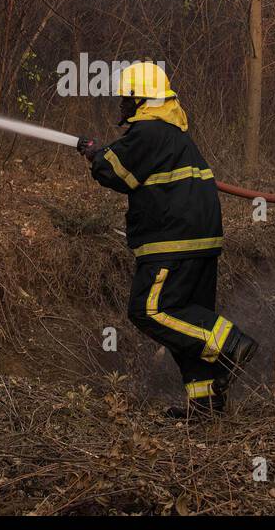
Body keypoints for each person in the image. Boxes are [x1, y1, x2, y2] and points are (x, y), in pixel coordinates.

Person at [78, 61, 258, 419]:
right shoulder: (173, 136)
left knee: (149, 310)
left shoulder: (148, 132)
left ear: (142, 99)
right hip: (199, 240)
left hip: (172, 242)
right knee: (187, 322)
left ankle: (229, 343)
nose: (121, 106)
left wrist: (96, 156)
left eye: (126, 99)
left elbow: (113, 171)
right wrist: (102, 154)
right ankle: (206, 404)